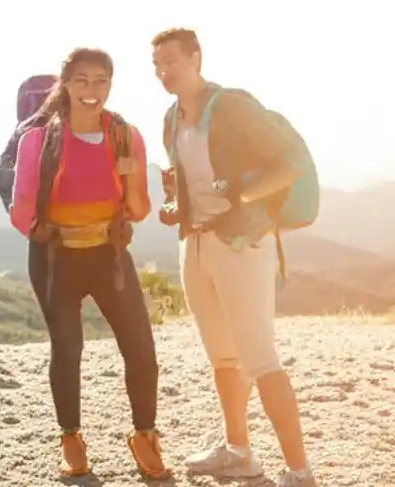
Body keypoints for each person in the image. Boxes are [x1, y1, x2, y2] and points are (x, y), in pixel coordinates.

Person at [151, 27, 318, 487]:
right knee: (223, 358)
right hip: (196, 244)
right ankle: (239, 452)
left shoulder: (233, 106)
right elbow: (185, 183)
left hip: (242, 245)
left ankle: (299, 472)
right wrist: (175, 207)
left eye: (173, 61)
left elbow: (291, 162)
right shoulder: (170, 118)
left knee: (260, 357)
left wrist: (243, 198)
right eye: (158, 65)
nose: (165, 71)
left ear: (196, 58)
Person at [8, 48, 171, 480]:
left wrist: (126, 212)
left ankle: (145, 434)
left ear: (111, 85)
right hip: (54, 256)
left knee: (140, 348)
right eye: (81, 80)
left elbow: (138, 206)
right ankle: (71, 437)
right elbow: (22, 209)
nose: (91, 90)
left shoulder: (125, 136)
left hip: (107, 254)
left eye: (101, 81)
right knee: (68, 349)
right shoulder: (37, 141)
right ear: (66, 84)